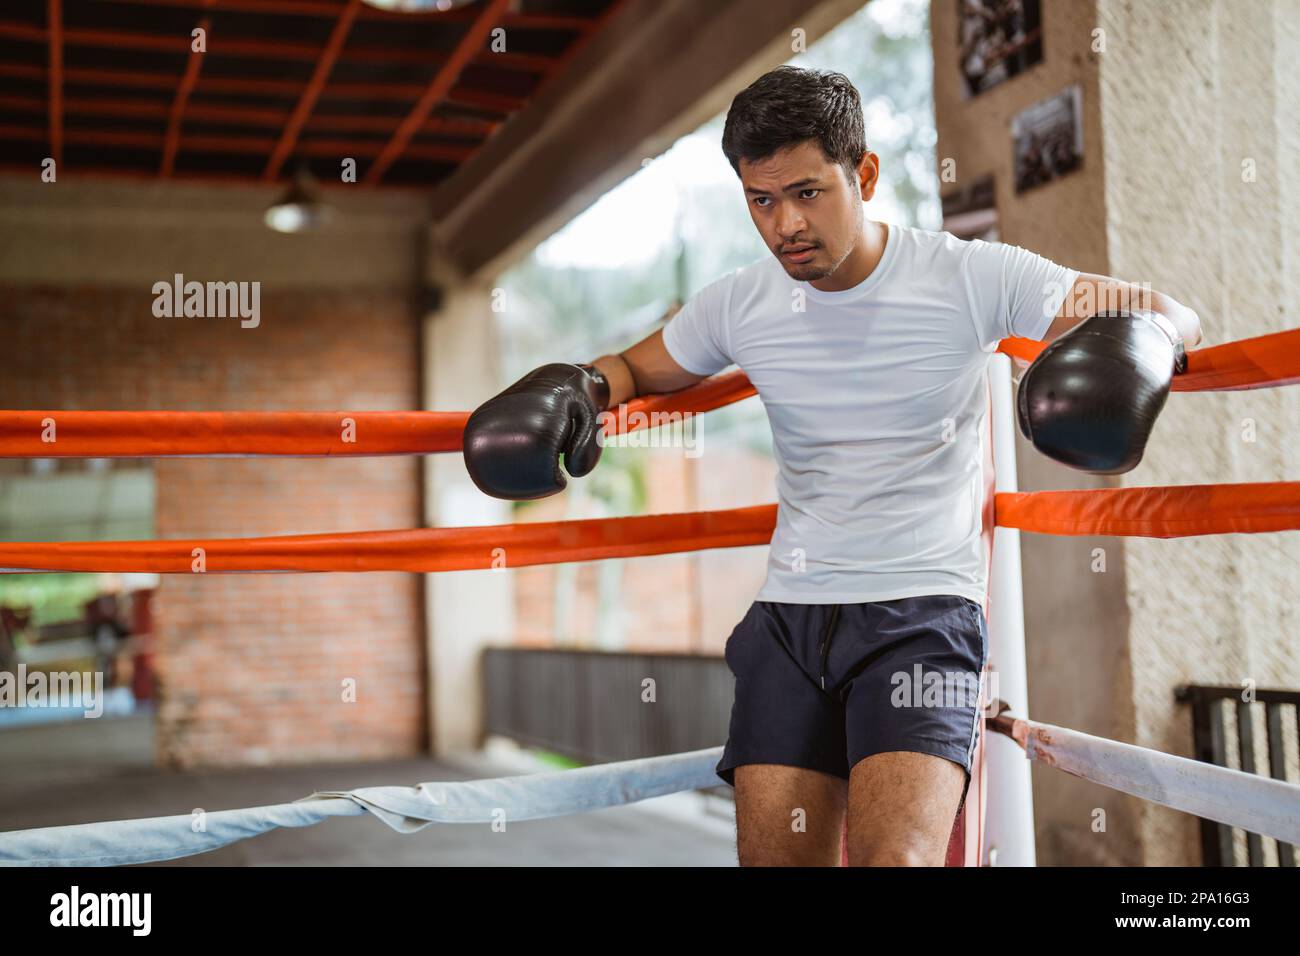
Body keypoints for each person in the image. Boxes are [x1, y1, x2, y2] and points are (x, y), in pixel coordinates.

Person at [463, 66, 1202, 866]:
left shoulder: (967, 276)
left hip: (920, 619)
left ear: (866, 174)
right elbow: (633, 369)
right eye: (762, 200)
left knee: (898, 861)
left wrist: (1146, 340)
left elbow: (1161, 308)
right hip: (791, 618)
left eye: (808, 192)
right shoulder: (739, 303)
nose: (785, 225)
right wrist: (576, 386)